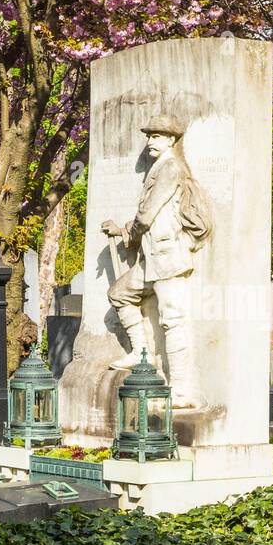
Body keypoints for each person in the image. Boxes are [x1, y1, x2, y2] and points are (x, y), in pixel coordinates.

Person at [101, 113, 212, 408]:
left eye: (157, 136)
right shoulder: (158, 168)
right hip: (152, 259)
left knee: (172, 321)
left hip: (168, 257)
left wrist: (127, 233)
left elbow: (148, 214)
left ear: (172, 139)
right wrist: (123, 230)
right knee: (119, 293)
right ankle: (141, 354)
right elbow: (148, 215)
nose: (151, 141)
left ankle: (182, 390)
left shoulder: (171, 167)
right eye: (149, 136)